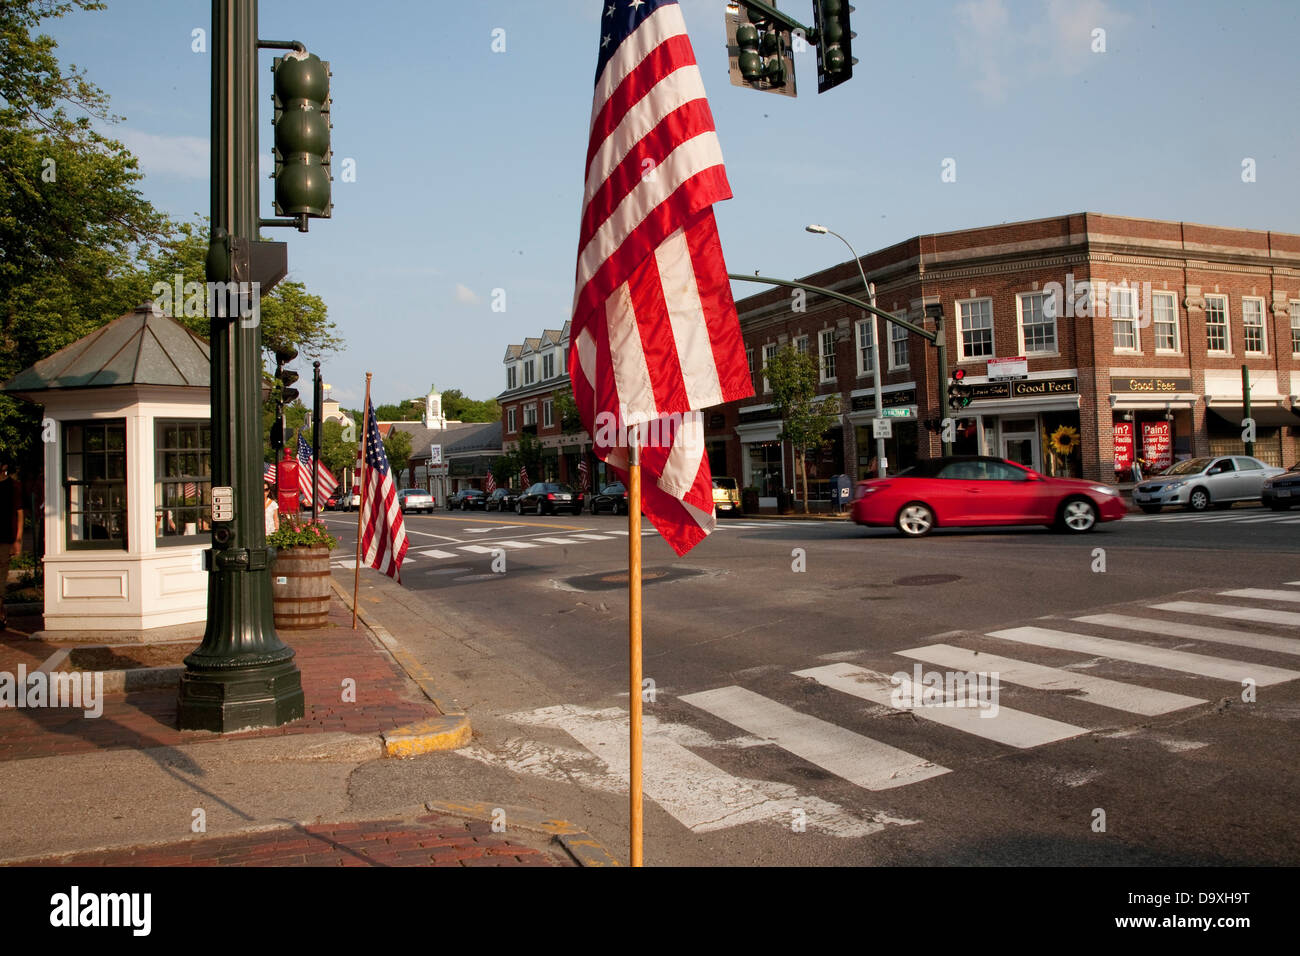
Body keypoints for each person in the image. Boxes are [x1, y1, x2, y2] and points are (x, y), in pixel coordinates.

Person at [0, 462, 23, 630]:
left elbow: (19, 512)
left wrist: (18, 539)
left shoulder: (13, 486)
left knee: (1, 579)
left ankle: (0, 613)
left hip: (5, 538)